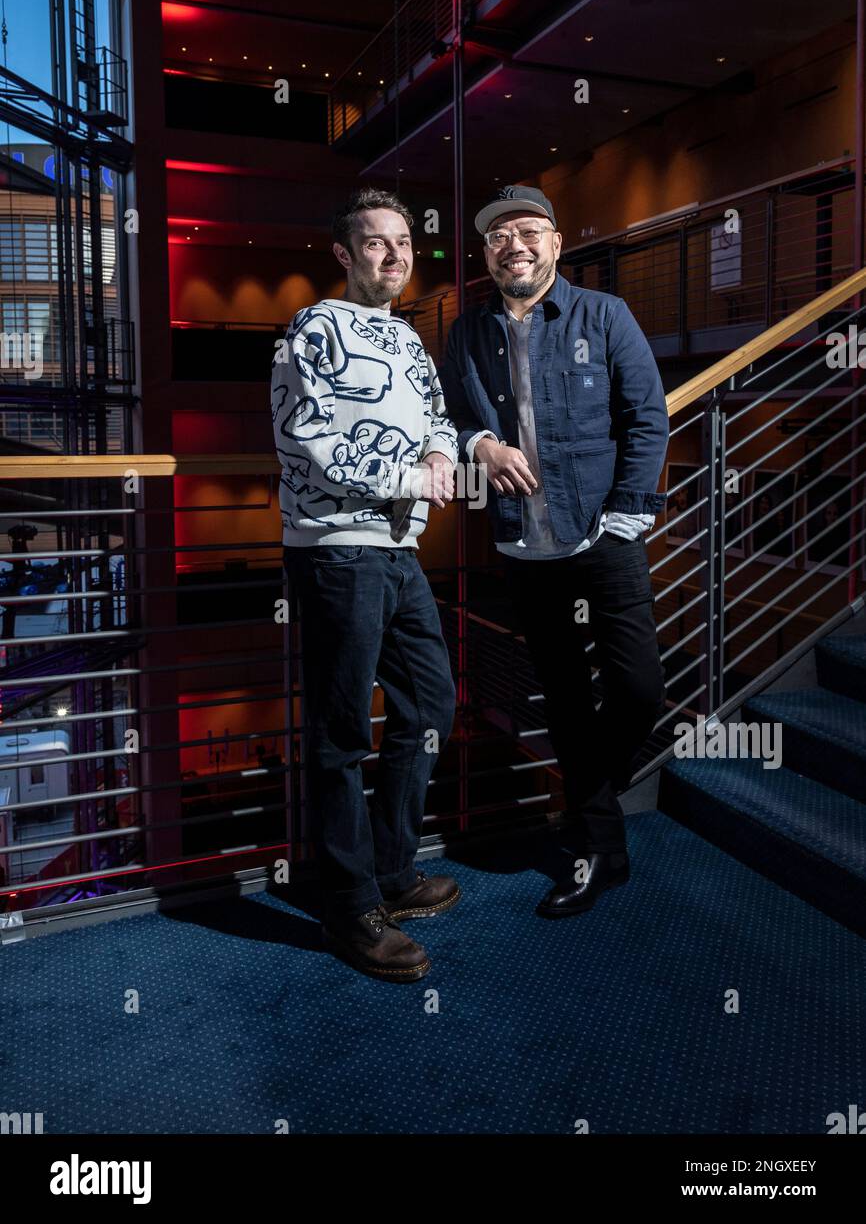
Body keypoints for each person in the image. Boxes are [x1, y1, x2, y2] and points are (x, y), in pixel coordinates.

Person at [440, 184, 669, 917]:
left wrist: (629, 513)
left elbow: (647, 416)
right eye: (500, 235)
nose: (516, 244)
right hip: (525, 547)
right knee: (567, 702)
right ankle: (603, 849)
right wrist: (481, 444)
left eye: (529, 230)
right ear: (486, 254)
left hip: (603, 537)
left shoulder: (606, 316)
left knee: (639, 691)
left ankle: (587, 803)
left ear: (556, 242)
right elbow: (450, 417)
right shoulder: (467, 332)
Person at [272, 187, 460, 982]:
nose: (396, 256)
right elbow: (306, 439)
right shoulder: (312, 329)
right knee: (342, 733)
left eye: (406, 243)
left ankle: (392, 867)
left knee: (430, 703)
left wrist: (445, 457)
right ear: (346, 255)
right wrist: (410, 477)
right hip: (338, 551)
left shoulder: (411, 341)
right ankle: (350, 908)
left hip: (396, 551)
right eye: (377, 244)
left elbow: (441, 419)